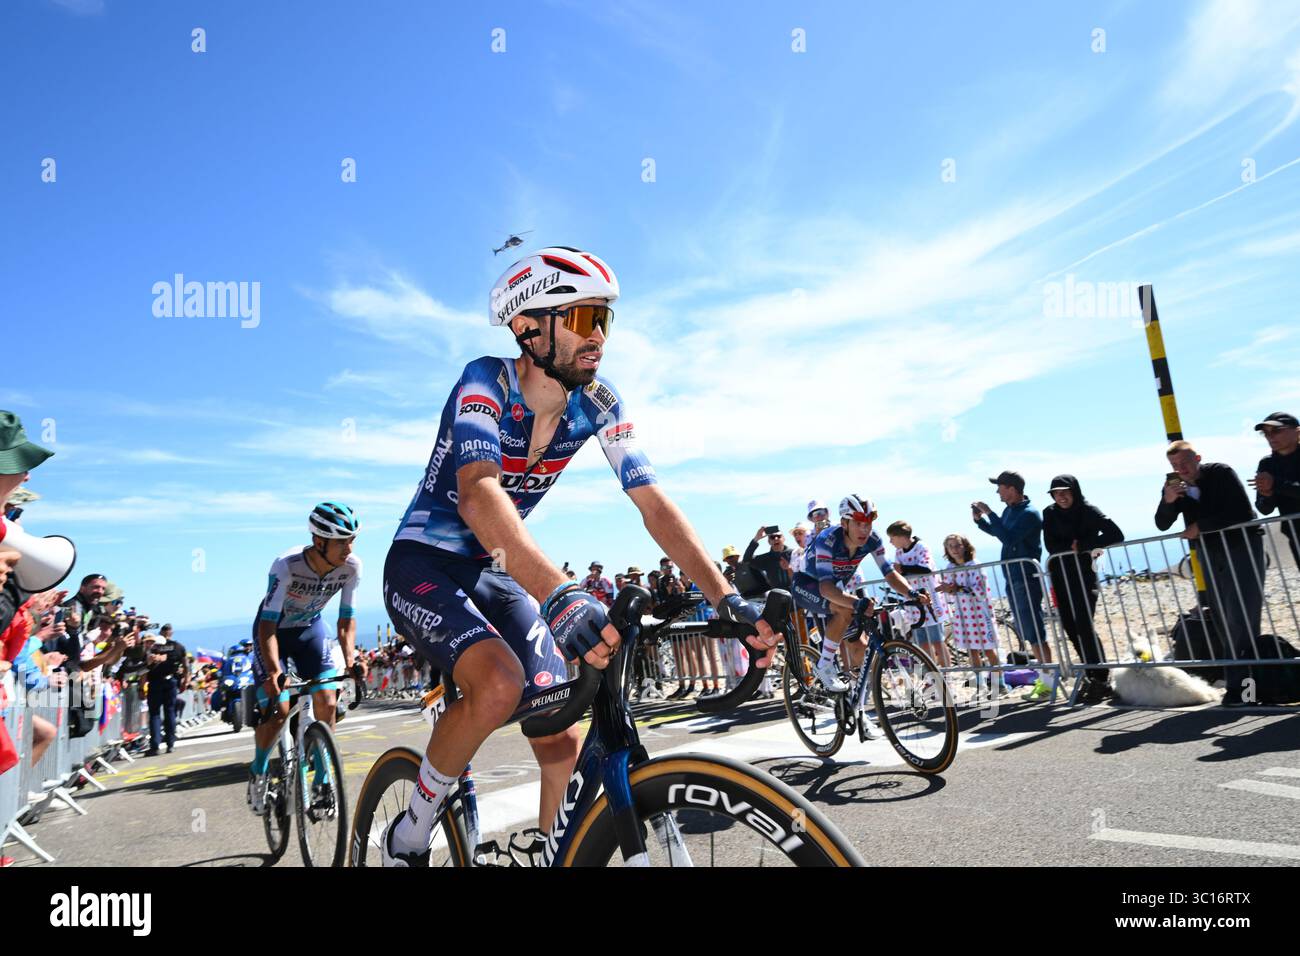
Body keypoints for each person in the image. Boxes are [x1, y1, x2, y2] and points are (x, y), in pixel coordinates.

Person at [378, 246, 776, 866]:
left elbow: (653, 504)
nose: (601, 337)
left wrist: (726, 598)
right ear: (529, 328)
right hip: (422, 565)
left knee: (561, 729)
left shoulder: (599, 402)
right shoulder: (485, 381)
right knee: (499, 687)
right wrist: (560, 591)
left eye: (605, 320)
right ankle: (408, 835)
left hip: (494, 571)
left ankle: (551, 856)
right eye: (585, 318)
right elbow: (480, 496)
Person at [246, 502, 364, 813]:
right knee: (279, 709)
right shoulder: (286, 565)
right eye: (342, 541)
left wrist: (351, 662)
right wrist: (273, 672)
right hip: (273, 634)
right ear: (320, 541)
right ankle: (258, 771)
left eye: (352, 539)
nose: (349, 548)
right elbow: (268, 624)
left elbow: (345, 620)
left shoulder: (351, 567)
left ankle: (322, 783)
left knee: (327, 699)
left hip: (310, 630)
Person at [1155, 441, 1261, 707]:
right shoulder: (1174, 486)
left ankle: (1249, 689)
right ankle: (1237, 686)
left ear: (1198, 458)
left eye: (1186, 463)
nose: (1182, 469)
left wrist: (1200, 526)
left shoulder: (1221, 473)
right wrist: (1168, 501)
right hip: (1209, 554)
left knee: (1242, 618)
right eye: (1175, 466)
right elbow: (1161, 522)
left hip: (1240, 548)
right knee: (1222, 619)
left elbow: (1242, 512)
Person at [790, 495, 931, 693]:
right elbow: (826, 589)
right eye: (858, 523)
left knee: (861, 646)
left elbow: (889, 574)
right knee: (844, 610)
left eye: (868, 523)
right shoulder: (827, 540)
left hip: (835, 589)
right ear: (844, 523)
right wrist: (857, 603)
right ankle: (824, 665)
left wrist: (912, 593)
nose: (864, 529)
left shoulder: (872, 540)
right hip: (807, 586)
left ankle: (858, 707)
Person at [973, 470, 1055, 701]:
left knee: (1035, 629)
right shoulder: (1011, 511)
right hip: (1013, 576)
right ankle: (1044, 679)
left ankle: (1049, 682)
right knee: (1027, 629)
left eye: (999, 487)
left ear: (1011, 488)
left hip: (1026, 577)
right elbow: (1001, 533)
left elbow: (1009, 538)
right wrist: (980, 521)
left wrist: (990, 513)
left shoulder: (1030, 513)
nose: (997, 491)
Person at [1042, 475, 1124, 704]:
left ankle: (1102, 677)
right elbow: (1050, 545)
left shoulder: (1088, 510)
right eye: (1056, 492)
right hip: (1060, 576)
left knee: (1084, 625)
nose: (1061, 496)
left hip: (1084, 576)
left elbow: (1116, 534)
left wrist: (1086, 544)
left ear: (1075, 491)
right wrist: (1073, 546)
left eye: (1065, 491)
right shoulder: (1049, 513)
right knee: (1069, 626)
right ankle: (1091, 674)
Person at [936, 535, 1005, 699]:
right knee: (971, 650)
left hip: (980, 613)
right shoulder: (949, 567)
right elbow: (950, 592)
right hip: (962, 614)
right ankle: (980, 685)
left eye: (957, 545)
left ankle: (999, 684)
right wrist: (950, 590)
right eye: (950, 546)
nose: (955, 549)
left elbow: (980, 590)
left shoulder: (975, 565)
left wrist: (955, 589)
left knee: (988, 650)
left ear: (965, 546)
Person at [885, 521, 951, 667]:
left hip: (929, 600)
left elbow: (926, 568)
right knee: (922, 643)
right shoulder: (898, 552)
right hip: (912, 602)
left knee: (937, 640)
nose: (890, 542)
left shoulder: (922, 547)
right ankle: (931, 675)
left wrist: (902, 568)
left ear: (901, 536)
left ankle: (947, 675)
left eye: (892, 538)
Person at [1251, 412, 1300, 566]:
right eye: (1265, 433)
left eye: (1277, 430)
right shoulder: (1266, 464)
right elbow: (1264, 509)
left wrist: (1275, 484)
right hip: (1296, 536)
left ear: (1297, 431)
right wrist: (1267, 495)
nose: (1270, 436)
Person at [144, 624, 187, 755]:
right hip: (170, 681)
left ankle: (155, 746)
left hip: (155, 682)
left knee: (155, 714)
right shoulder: (177, 647)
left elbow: (144, 669)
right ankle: (170, 744)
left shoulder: (151, 647)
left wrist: (142, 686)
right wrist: (185, 679)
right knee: (169, 713)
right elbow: (185, 665)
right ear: (171, 632)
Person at [743, 525, 793, 591]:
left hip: (798, 594)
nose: (776, 539)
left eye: (778, 536)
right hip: (778, 596)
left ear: (784, 539)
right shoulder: (766, 559)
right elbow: (746, 560)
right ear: (769, 542)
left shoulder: (794, 553)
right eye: (772, 537)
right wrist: (756, 538)